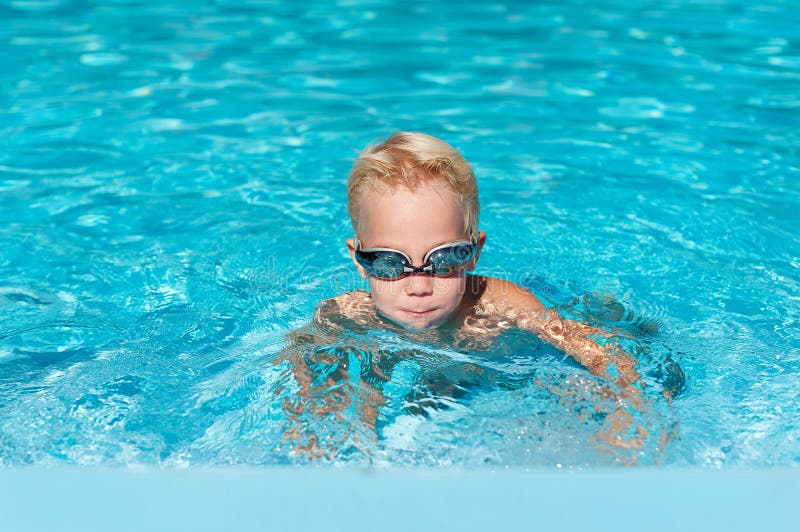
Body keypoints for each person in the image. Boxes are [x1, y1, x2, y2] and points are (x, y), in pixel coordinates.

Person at [281, 132, 653, 460]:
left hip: (495, 359)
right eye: (388, 262)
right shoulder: (344, 314)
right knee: (368, 382)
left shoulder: (503, 304)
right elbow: (303, 353)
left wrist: (631, 410)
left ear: (474, 251)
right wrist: (315, 411)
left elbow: (598, 349)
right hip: (422, 357)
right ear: (359, 259)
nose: (418, 285)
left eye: (445, 259)